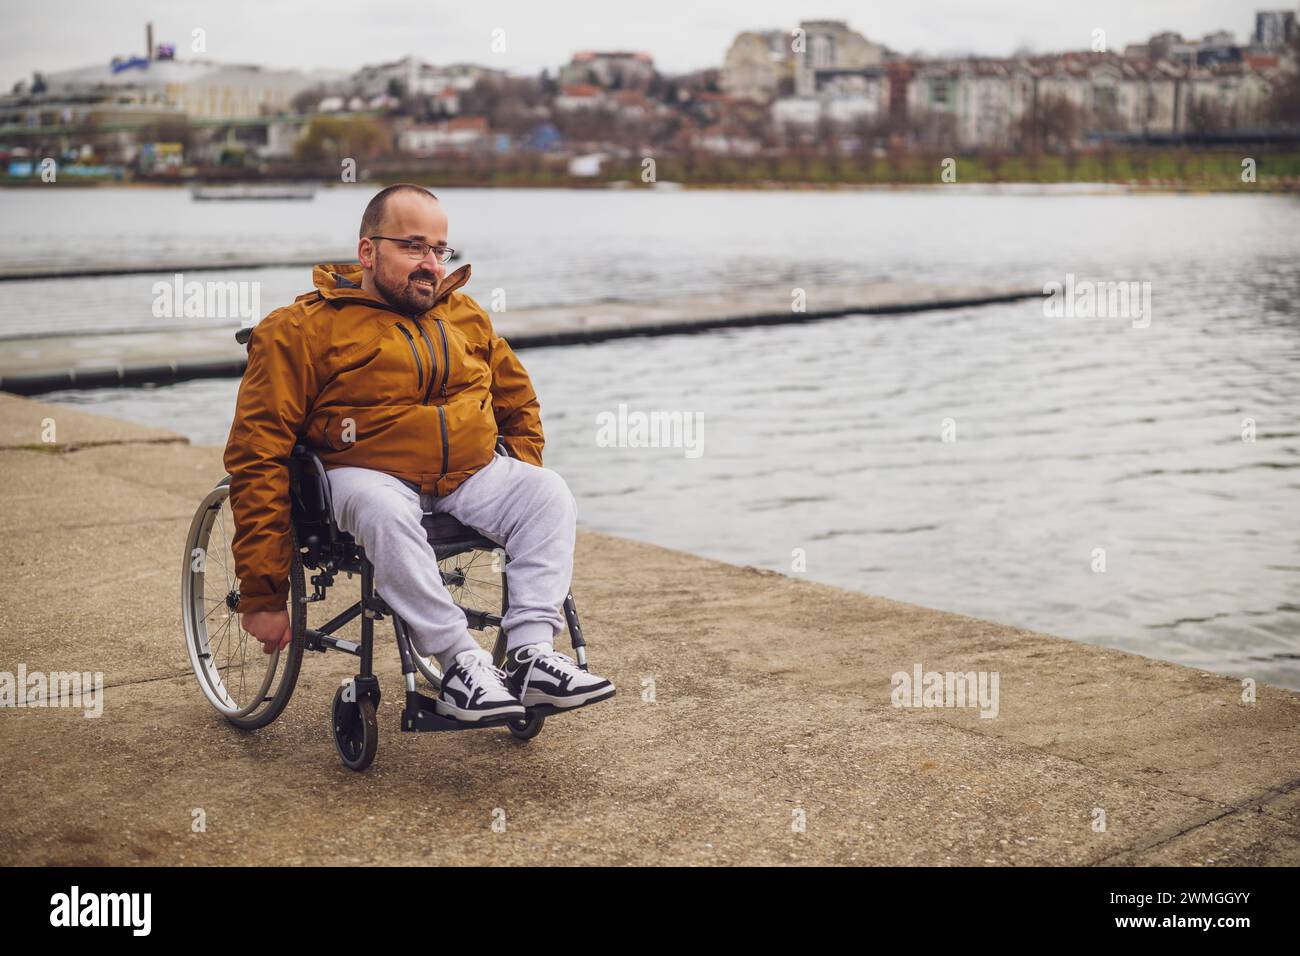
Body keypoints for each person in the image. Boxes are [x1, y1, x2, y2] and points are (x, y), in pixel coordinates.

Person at [222, 183, 614, 723]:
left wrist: (515, 480)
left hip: (465, 476)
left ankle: (530, 655)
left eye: (439, 249)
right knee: (385, 510)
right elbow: (257, 453)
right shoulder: (300, 329)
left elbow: (517, 400)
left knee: (547, 493)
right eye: (413, 247)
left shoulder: (464, 315)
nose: (430, 264)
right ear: (368, 251)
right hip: (365, 476)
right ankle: (459, 663)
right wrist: (262, 594)